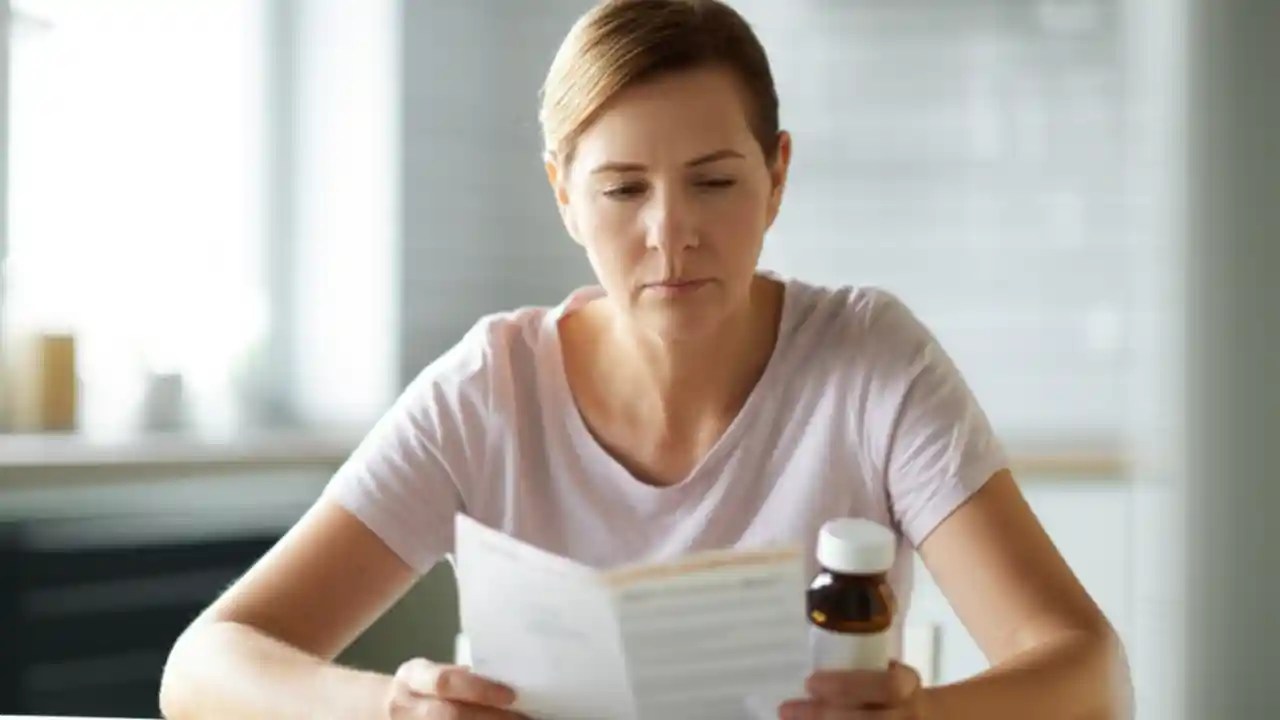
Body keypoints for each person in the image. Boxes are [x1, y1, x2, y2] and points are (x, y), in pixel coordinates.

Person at [160, 1, 1132, 718]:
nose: (673, 236)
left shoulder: (870, 364)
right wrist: (391, 707)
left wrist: (921, 718)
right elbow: (203, 668)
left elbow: (1090, 675)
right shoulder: (486, 392)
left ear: (776, 175)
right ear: (564, 196)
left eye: (712, 182)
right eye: (623, 190)